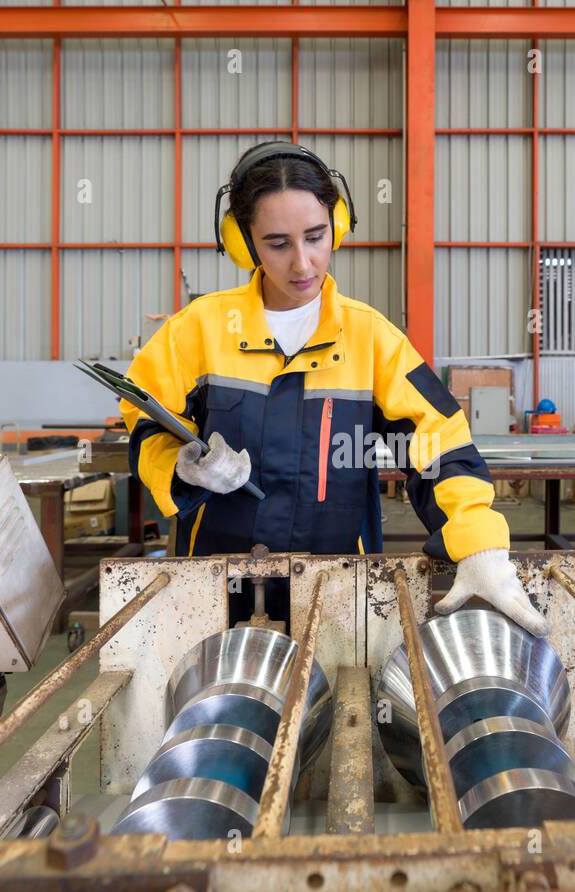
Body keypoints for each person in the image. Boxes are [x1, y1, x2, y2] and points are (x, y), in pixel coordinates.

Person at [121, 141, 547, 636]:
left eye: (315, 236)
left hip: (341, 584)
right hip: (216, 583)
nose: (302, 264)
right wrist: (179, 464)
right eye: (278, 243)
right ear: (244, 243)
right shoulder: (196, 329)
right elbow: (145, 417)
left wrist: (477, 541)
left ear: (337, 227)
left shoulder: (370, 337)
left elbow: (440, 441)